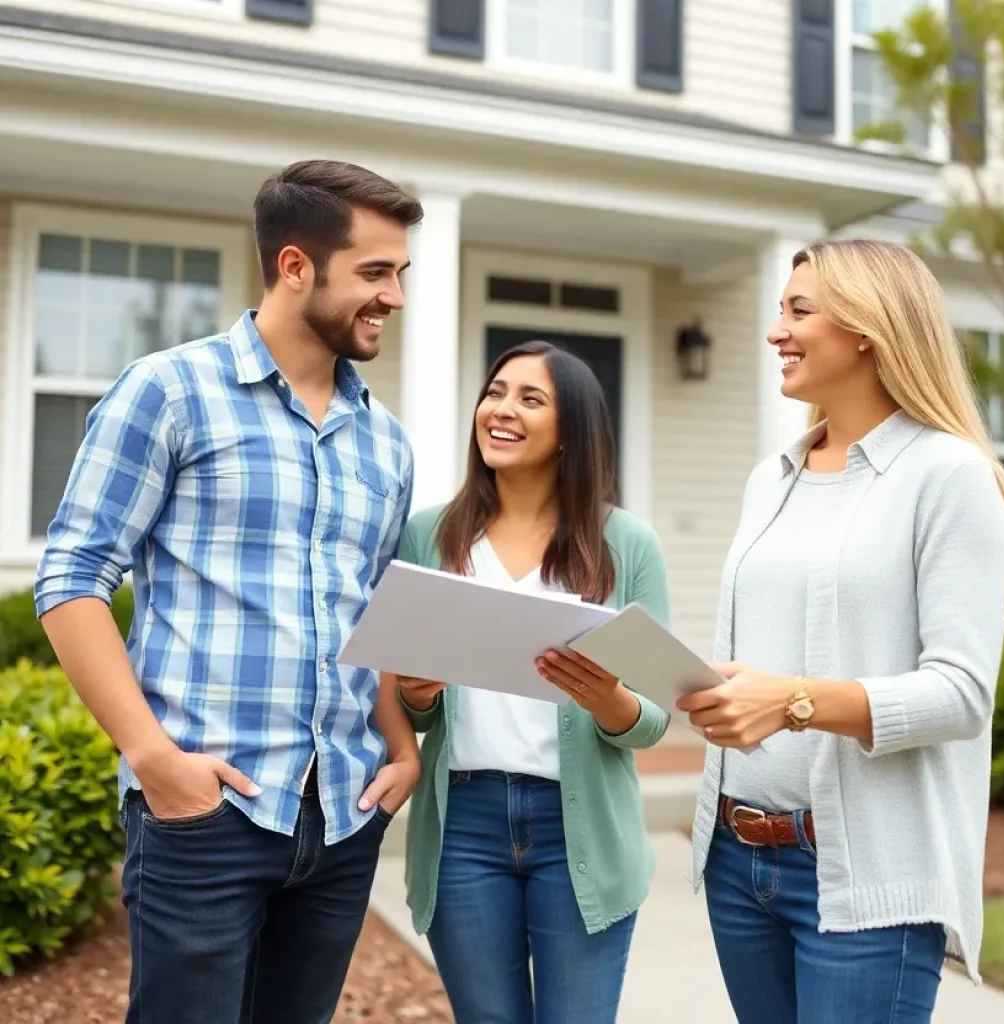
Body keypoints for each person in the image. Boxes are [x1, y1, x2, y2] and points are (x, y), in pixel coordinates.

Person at [34, 159, 425, 1024]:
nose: (394, 297)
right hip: (206, 812)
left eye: (400, 273)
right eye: (375, 272)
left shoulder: (386, 442)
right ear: (295, 266)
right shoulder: (168, 392)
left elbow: (374, 606)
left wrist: (401, 748)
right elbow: (72, 578)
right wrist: (154, 762)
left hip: (342, 816)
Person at [679, 239, 1004, 1023]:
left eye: (799, 311)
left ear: (868, 329)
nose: (776, 331)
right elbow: (764, 656)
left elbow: (962, 694)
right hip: (738, 860)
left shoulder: (949, 476)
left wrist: (791, 702)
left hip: (865, 873)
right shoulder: (772, 477)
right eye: (780, 310)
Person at [385, 340, 670, 1023]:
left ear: (571, 432)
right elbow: (408, 704)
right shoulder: (429, 535)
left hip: (580, 828)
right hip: (464, 826)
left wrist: (607, 699)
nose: (502, 409)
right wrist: (418, 693)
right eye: (495, 392)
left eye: (530, 399)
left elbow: (655, 717)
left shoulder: (626, 544)